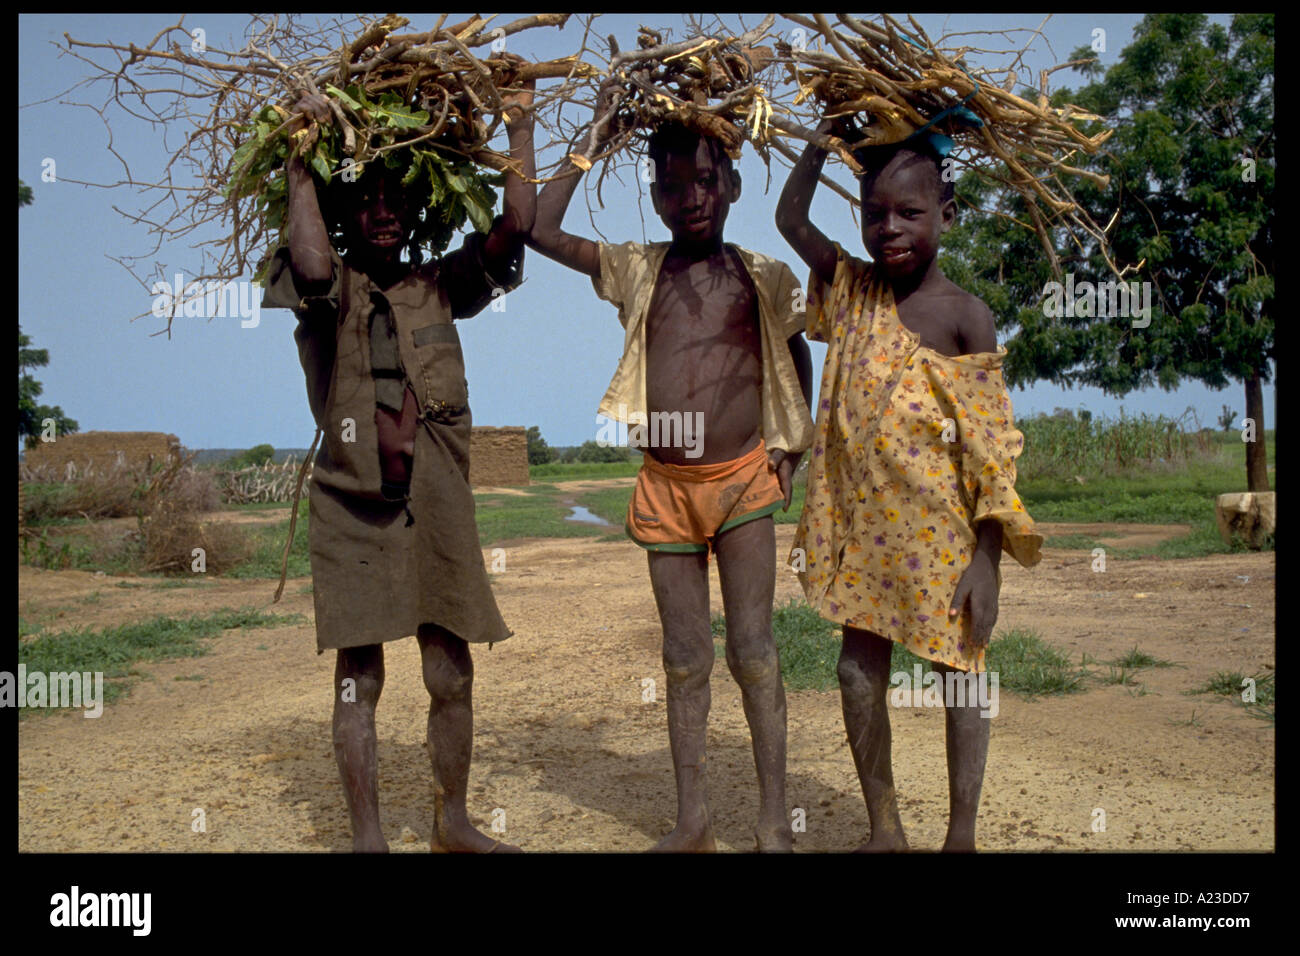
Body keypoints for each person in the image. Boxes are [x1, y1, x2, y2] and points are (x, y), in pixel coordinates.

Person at [528, 87, 814, 852]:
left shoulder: (764, 275)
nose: (691, 198)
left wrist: (791, 448)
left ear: (733, 185)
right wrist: (596, 134)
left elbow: (796, 351)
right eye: (672, 185)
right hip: (665, 487)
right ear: (653, 195)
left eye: (706, 181)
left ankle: (773, 824)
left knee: (755, 652)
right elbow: (537, 227)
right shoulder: (635, 269)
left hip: (744, 480)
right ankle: (693, 823)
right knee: (685, 659)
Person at [260, 78, 535, 852]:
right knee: (360, 678)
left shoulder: (440, 285)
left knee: (451, 672)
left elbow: (515, 226)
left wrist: (521, 125)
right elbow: (313, 266)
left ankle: (454, 821)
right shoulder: (325, 288)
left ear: (419, 207)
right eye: (366, 198)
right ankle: (368, 839)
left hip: (437, 506)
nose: (382, 211)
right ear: (342, 210)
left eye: (396, 197)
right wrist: (301, 159)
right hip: (353, 509)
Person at [775, 118, 1043, 851]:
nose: (888, 228)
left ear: (947, 216)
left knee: (959, 677)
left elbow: (992, 450)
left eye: (909, 212)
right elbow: (790, 219)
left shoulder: (966, 317)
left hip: (943, 541)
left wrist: (986, 558)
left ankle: (961, 835)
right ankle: (884, 829)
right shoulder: (853, 291)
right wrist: (822, 139)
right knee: (855, 676)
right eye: (874, 214)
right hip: (861, 535)